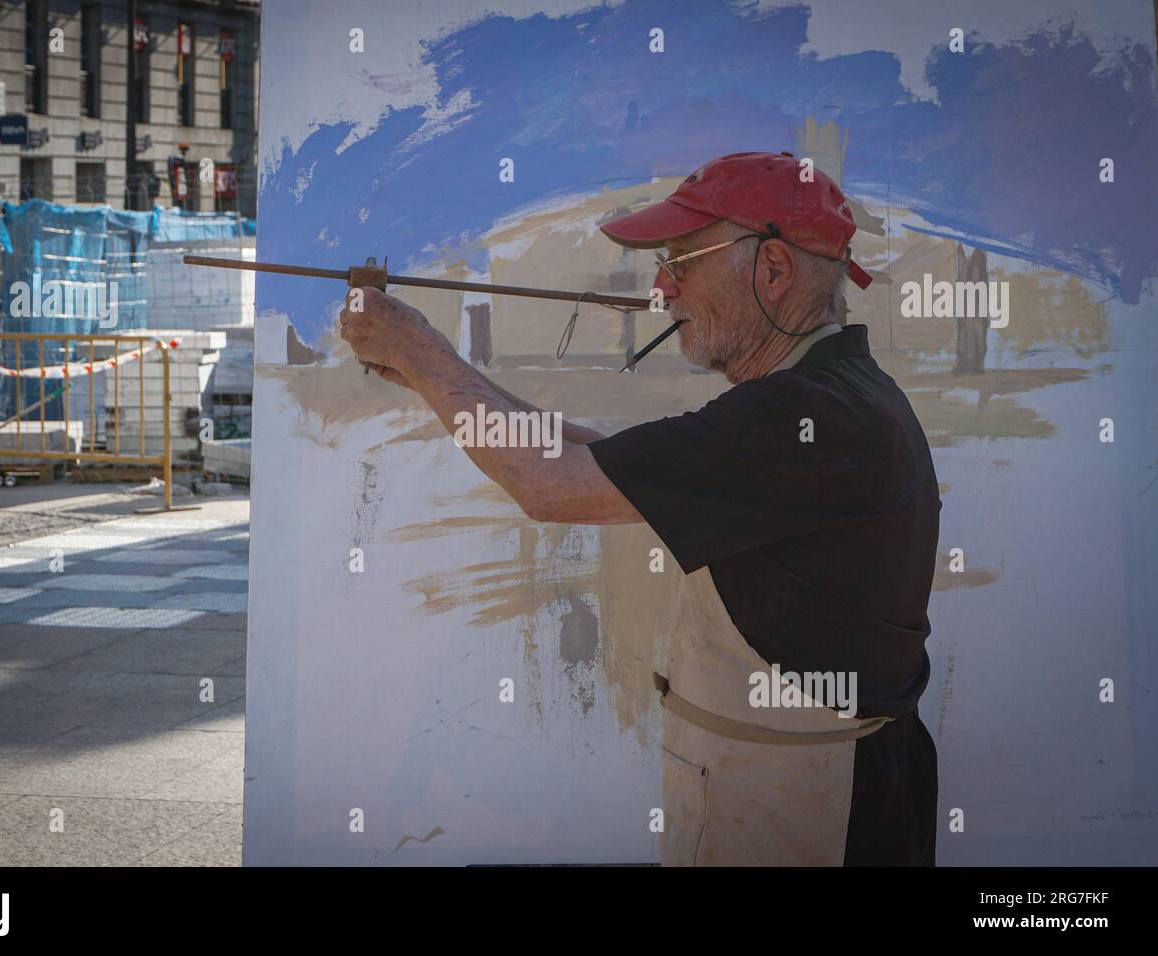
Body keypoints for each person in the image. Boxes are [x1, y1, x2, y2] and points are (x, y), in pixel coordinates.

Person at [340, 151, 941, 866]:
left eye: (683, 260)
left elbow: (551, 484)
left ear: (773, 271)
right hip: (798, 789)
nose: (661, 286)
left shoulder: (800, 414)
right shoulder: (825, 396)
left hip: (804, 808)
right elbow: (601, 465)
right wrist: (430, 373)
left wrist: (418, 349)